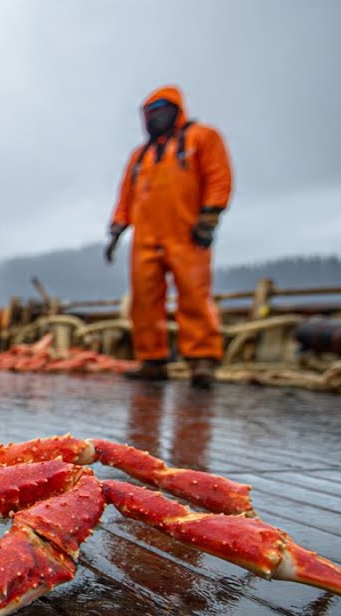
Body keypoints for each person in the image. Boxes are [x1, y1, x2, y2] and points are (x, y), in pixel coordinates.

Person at [105, 85, 233, 389]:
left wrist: (209, 217)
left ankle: (202, 361)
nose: (155, 118)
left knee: (194, 295)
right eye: (149, 113)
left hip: (186, 233)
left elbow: (218, 175)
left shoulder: (201, 138)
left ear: (176, 110)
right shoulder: (140, 156)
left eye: (161, 111)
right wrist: (116, 230)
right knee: (144, 300)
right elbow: (126, 195)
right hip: (145, 238)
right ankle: (152, 359)